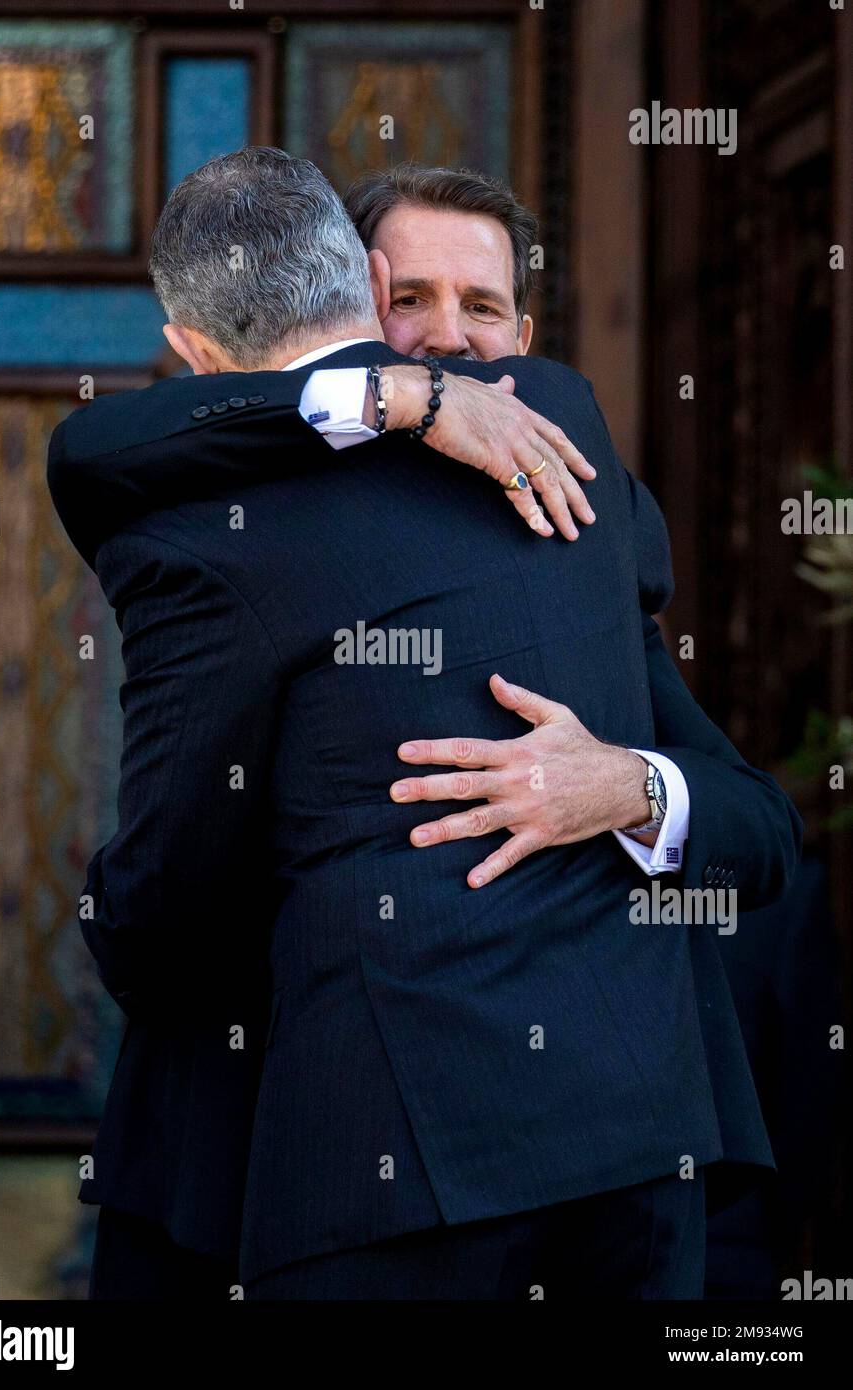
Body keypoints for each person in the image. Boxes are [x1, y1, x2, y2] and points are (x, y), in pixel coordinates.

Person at [47, 148, 801, 1300]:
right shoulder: (224, 486)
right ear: (369, 287)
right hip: (260, 1154)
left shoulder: (564, 466)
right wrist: (405, 398)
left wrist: (629, 786)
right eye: (415, 307)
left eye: (484, 310)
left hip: (509, 1165)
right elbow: (108, 444)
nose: (447, 343)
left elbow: (757, 821)